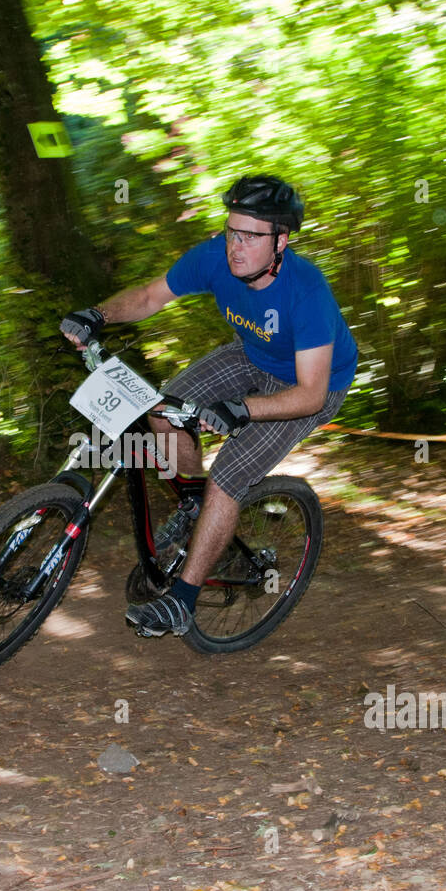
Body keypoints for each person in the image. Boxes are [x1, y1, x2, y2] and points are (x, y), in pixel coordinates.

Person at [60, 174, 357, 638]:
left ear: (281, 241)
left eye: (250, 237)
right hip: (251, 354)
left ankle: (182, 600)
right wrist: (97, 314)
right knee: (160, 410)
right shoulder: (215, 256)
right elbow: (147, 297)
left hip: (307, 387)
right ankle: (196, 504)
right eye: (231, 230)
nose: (235, 246)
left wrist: (243, 409)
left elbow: (311, 395)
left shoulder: (308, 293)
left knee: (229, 476)